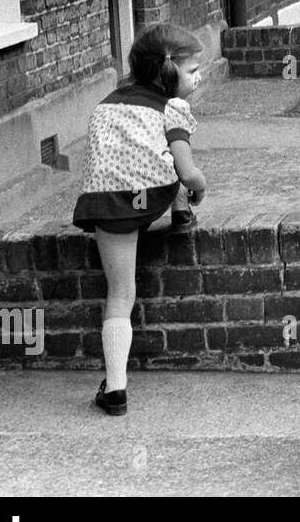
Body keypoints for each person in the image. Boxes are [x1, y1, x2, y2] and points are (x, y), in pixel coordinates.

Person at [72, 23, 207, 416]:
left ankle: (115, 390)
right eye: (193, 70)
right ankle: (182, 213)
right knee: (174, 171)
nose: (198, 78)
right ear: (168, 72)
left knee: (120, 295)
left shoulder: (108, 102)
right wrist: (200, 187)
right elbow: (186, 169)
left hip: (104, 203)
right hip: (151, 196)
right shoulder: (172, 108)